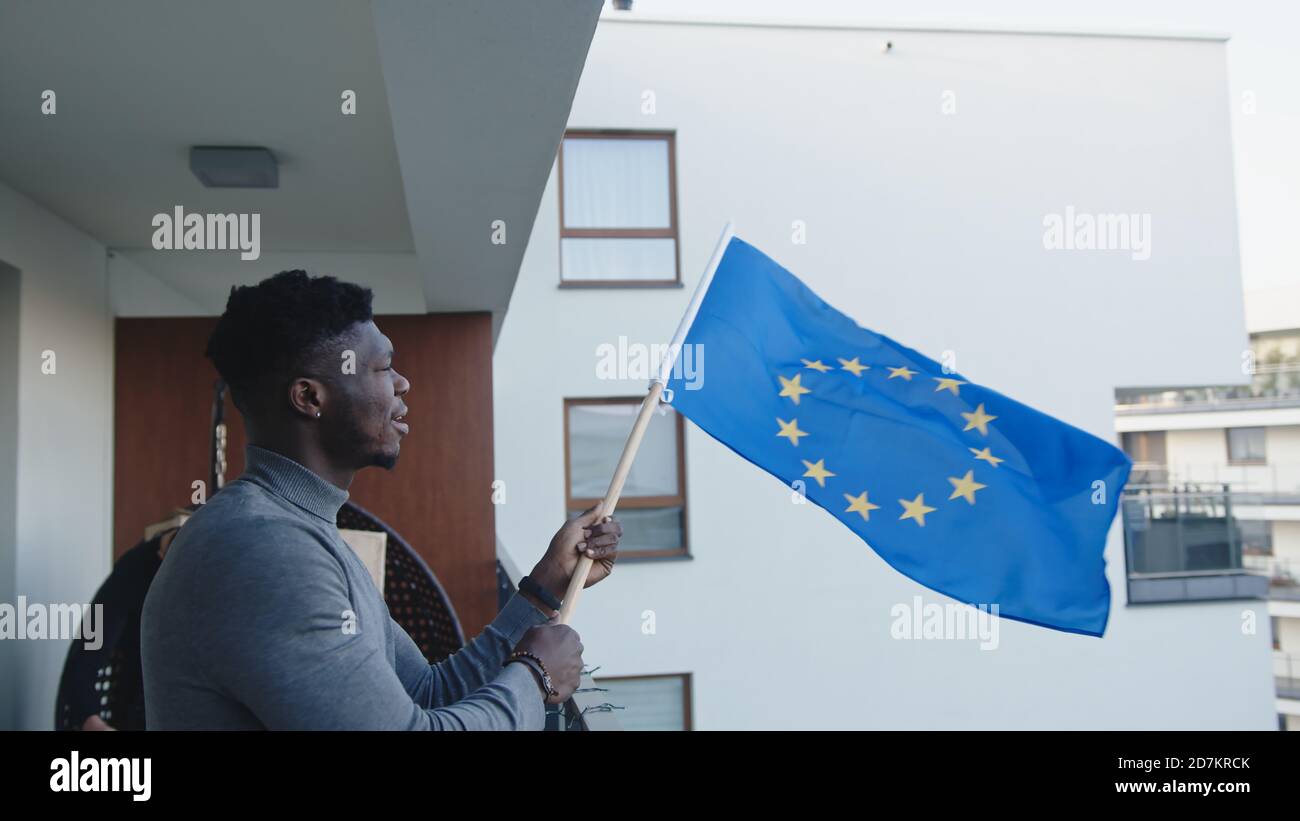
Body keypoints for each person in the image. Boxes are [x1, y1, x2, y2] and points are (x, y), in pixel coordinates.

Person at [141, 270, 620, 729]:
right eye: (384, 366)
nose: (402, 383)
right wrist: (535, 675)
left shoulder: (299, 532)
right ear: (309, 398)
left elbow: (428, 695)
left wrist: (544, 588)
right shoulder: (265, 550)